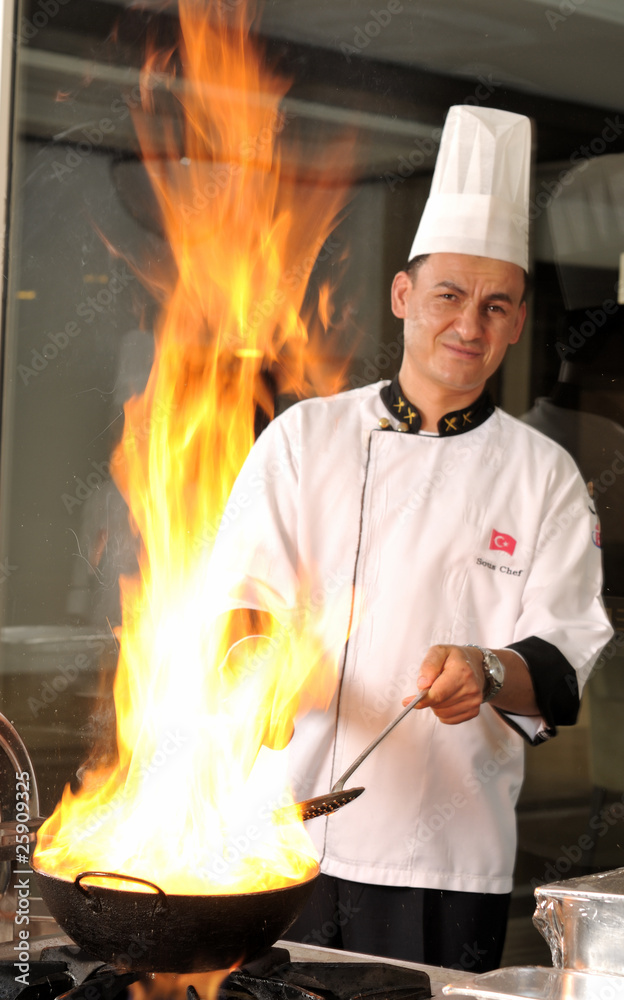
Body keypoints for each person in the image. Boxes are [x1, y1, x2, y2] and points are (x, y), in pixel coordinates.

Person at [212, 106, 613, 971]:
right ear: (404, 296)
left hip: (441, 857)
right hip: (278, 834)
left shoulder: (542, 475)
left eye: (495, 305)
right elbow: (242, 602)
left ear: (515, 322)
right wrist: (258, 665)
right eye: (449, 295)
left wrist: (486, 667)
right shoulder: (302, 439)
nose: (469, 324)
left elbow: (562, 656)